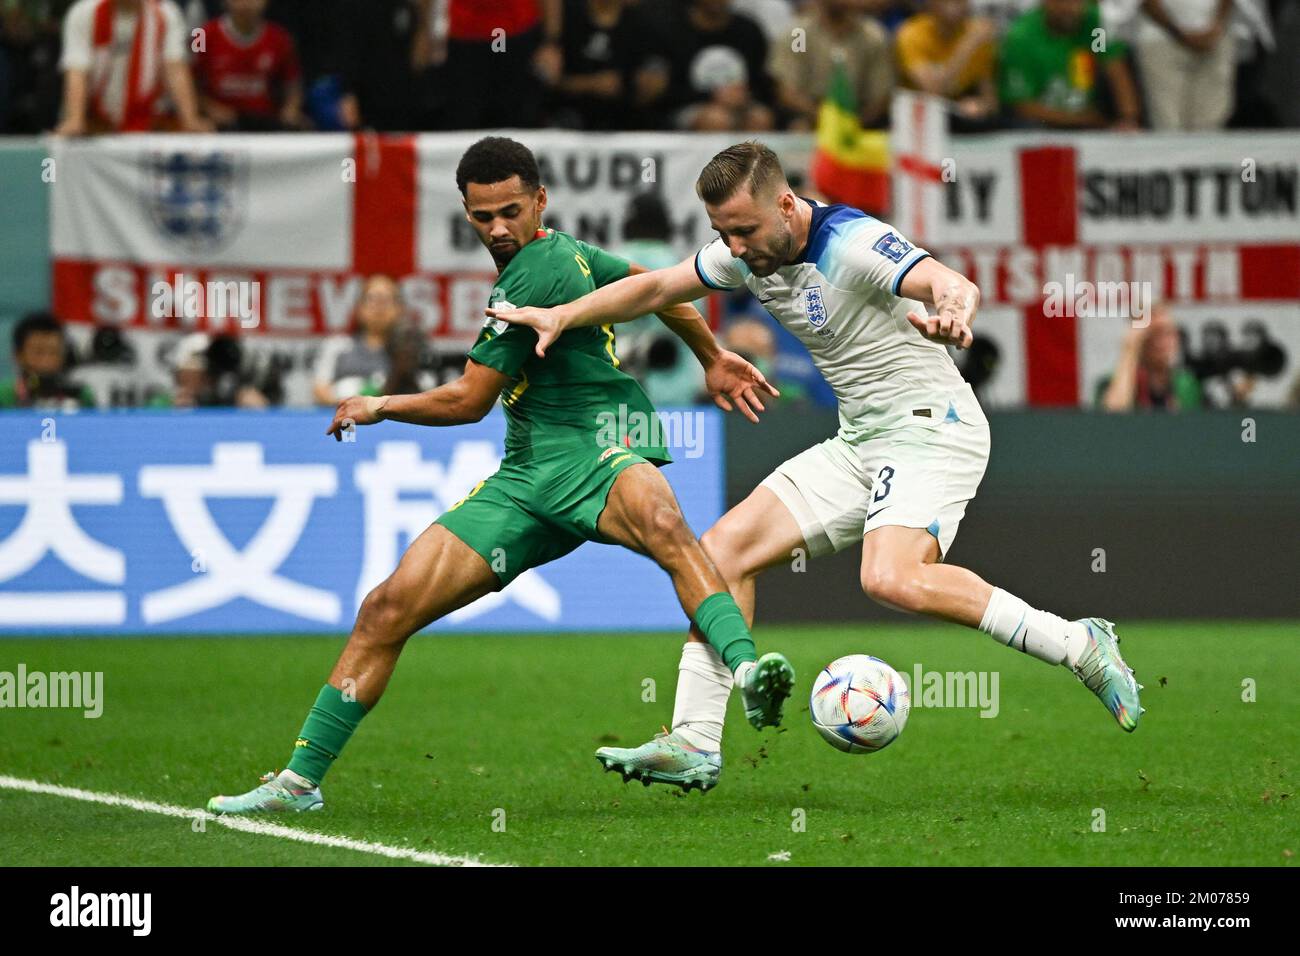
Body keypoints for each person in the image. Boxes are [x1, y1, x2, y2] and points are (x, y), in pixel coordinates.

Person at [490, 141, 1143, 794]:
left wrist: (953, 311)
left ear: (784, 203)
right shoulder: (747, 253)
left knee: (891, 578)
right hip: (861, 440)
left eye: (744, 230)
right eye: (723, 234)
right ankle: (692, 740)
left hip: (932, 430)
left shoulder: (851, 244)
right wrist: (562, 315)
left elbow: (951, 282)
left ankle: (1080, 645)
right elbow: (657, 287)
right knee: (719, 556)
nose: (735, 247)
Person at [207, 137, 792, 813]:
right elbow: (657, 290)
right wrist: (711, 354)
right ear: (467, 213)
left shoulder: (540, 268)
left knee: (666, 529)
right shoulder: (565, 255)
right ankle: (298, 783)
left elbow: (467, 401)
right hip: (527, 475)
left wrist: (379, 405)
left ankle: (748, 671)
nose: (498, 229)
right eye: (482, 217)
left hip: (601, 446)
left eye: (510, 211)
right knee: (387, 608)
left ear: (539, 200)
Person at [56, 0, 212, 134]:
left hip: (150, 121)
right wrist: (75, 119)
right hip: (96, 122)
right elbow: (77, 70)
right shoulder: (83, 12)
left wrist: (190, 118)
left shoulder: (165, 12)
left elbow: (175, 69)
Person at [999, 0, 1141, 130]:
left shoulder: (1094, 24)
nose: (1071, 8)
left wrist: (1128, 118)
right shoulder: (1021, 37)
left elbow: (1114, 68)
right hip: (1044, 124)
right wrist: (1083, 120)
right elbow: (1023, 106)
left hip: (1086, 113)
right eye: (1062, 2)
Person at [192, 0, 305, 131]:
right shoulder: (200, 35)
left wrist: (290, 109)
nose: (246, 3)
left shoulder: (281, 38)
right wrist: (208, 107)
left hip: (265, 123)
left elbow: (293, 85)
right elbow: (189, 82)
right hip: (219, 124)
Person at [896, 0, 999, 130]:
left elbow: (991, 101)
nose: (953, 7)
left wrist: (980, 106)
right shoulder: (912, 34)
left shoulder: (977, 34)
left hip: (961, 115)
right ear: (931, 5)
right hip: (920, 116)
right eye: (946, 2)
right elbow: (934, 90)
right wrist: (968, 45)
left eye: (959, 2)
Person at [312, 274, 404, 406]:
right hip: (345, 420)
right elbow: (320, 390)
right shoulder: (337, 346)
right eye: (372, 298)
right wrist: (352, 405)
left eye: (386, 299)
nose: (379, 306)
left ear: (399, 309)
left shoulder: (408, 353)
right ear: (359, 308)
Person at [1097, 305, 1202, 411]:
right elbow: (1112, 419)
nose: (1163, 343)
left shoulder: (1186, 383)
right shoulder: (1111, 382)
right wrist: (1129, 351)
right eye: (1154, 334)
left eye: (1168, 333)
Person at [0, 311, 96, 409]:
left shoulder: (81, 396)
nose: (46, 361)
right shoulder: (3, 396)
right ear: (18, 356)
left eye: (54, 352)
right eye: (38, 352)